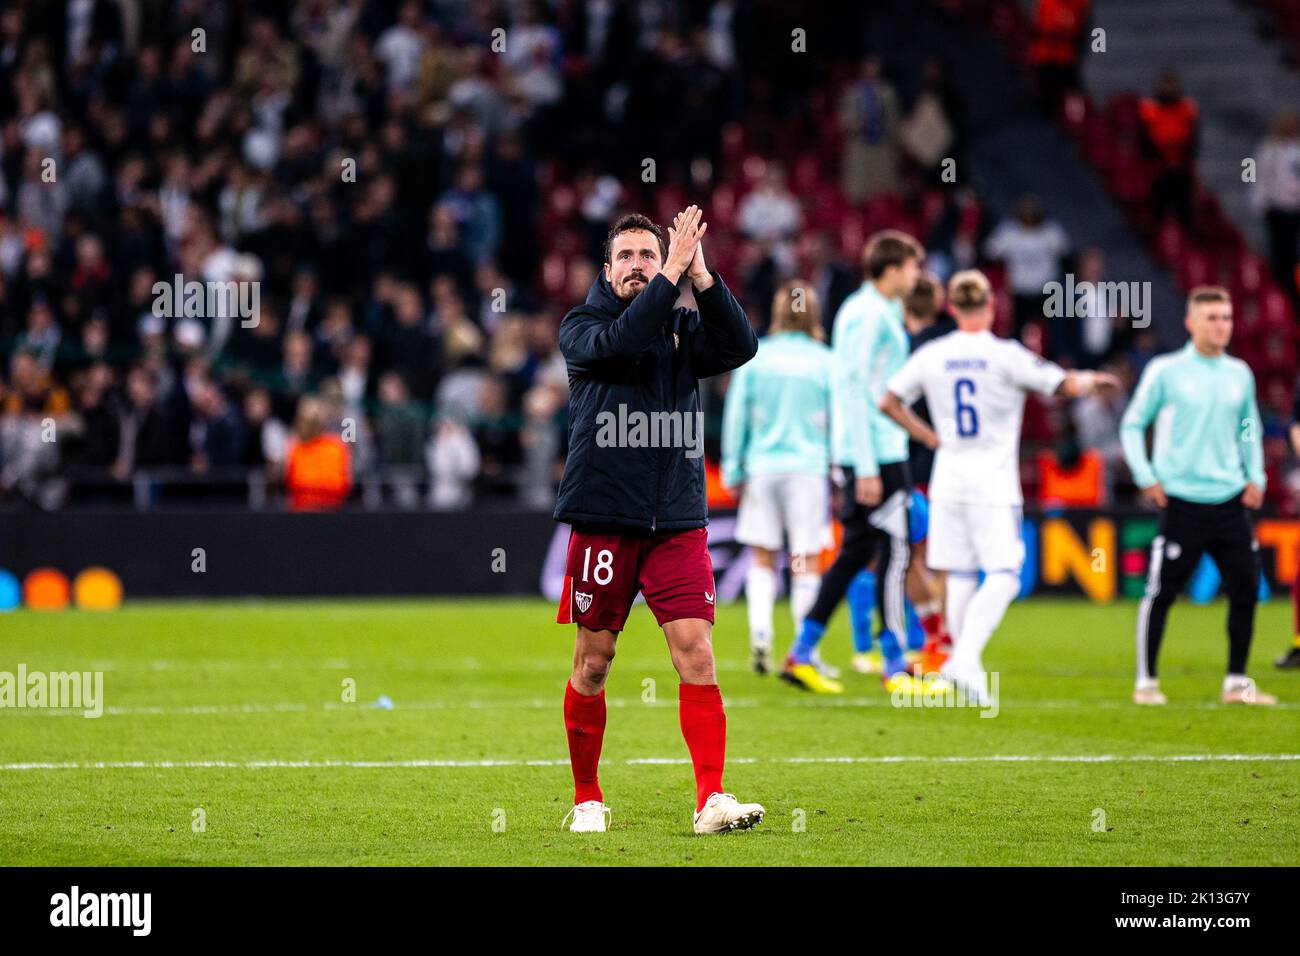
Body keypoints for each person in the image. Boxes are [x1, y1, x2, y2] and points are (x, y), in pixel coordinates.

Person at [552, 208, 764, 835]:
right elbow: (625, 340)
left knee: (697, 653)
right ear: (607, 267)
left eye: (650, 255)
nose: (640, 266)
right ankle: (587, 797)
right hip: (604, 520)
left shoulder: (679, 324)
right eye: (629, 257)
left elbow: (740, 346)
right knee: (594, 661)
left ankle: (711, 799)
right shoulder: (582, 327)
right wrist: (673, 272)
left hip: (676, 519)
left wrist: (701, 275)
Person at [880, 270, 1117, 705]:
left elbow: (887, 400)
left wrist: (927, 436)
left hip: (948, 478)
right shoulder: (1006, 354)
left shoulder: (933, 354)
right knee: (1006, 574)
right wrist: (1091, 380)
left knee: (963, 573)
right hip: (992, 483)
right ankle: (965, 659)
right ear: (991, 307)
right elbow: (1062, 385)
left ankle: (960, 663)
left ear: (952, 308)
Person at [1120, 286, 1276, 705]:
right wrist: (1144, 475)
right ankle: (1146, 683)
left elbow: (1248, 427)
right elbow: (1133, 424)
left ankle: (1236, 684)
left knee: (1246, 589)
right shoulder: (1166, 371)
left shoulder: (1239, 373)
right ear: (1191, 323)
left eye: (1226, 317)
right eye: (1212, 318)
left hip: (1229, 501)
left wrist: (1255, 474)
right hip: (1181, 501)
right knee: (1161, 593)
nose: (1221, 325)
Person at [783, 230, 922, 694]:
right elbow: (855, 390)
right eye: (912, 266)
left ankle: (802, 651)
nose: (917, 275)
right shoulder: (868, 314)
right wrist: (864, 464)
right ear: (892, 268)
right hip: (876, 453)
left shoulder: (875, 311)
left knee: (857, 552)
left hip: (873, 448)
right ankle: (896, 664)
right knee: (897, 550)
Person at [721, 280, 833, 675]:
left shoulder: (757, 357)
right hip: (808, 470)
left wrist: (734, 468)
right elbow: (840, 419)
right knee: (805, 559)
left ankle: (761, 637)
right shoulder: (825, 360)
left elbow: (736, 416)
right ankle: (805, 650)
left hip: (763, 469)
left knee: (763, 557)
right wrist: (838, 468)